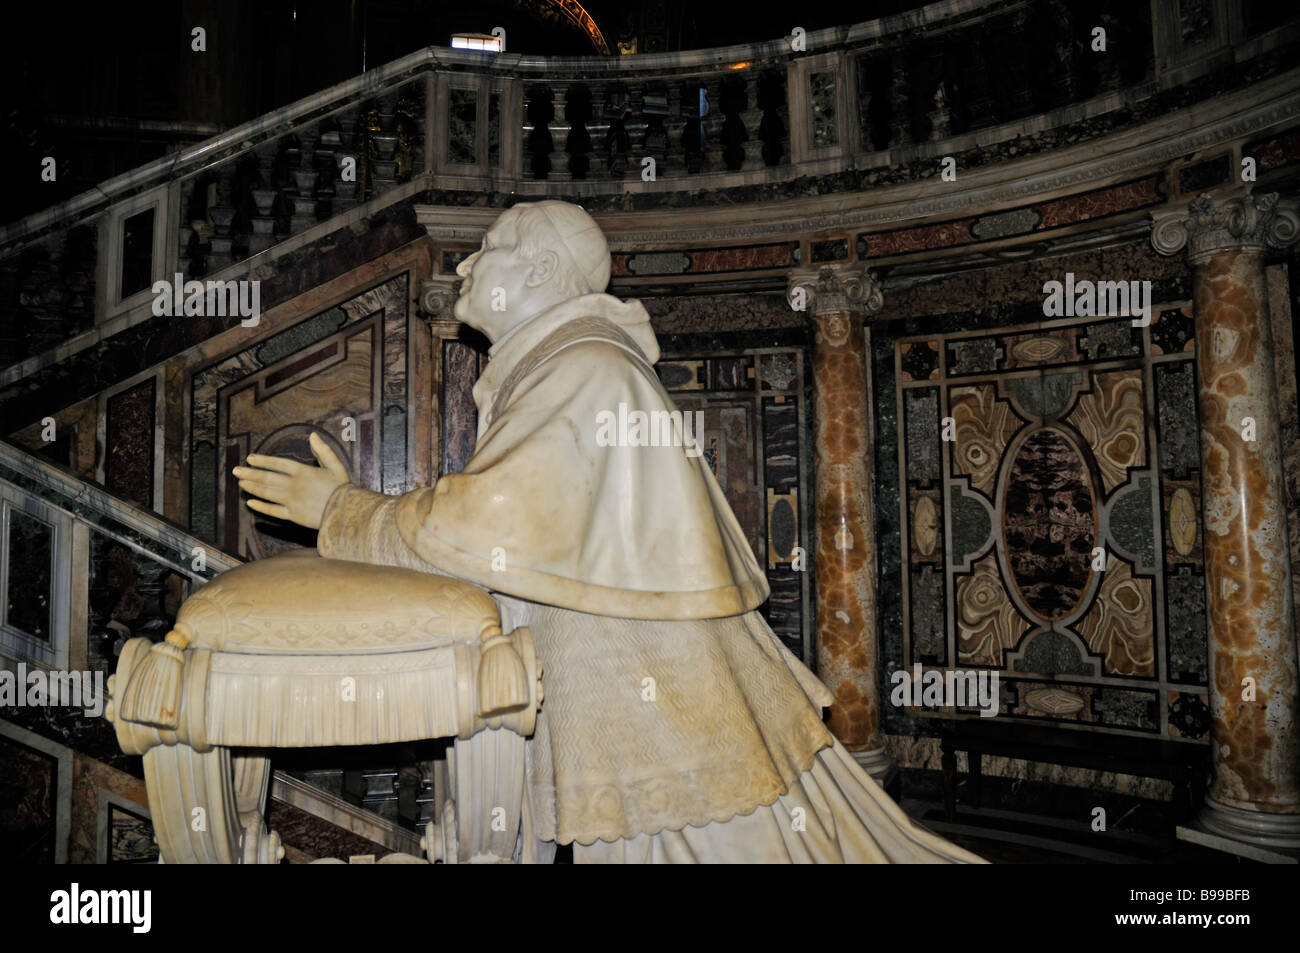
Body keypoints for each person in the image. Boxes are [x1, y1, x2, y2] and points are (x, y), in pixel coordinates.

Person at [233, 200, 984, 864]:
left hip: (656, 716)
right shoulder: (560, 365)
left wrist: (341, 510)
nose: (466, 261)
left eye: (489, 244)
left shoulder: (583, 367)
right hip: (641, 705)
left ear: (542, 270)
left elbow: (480, 521)